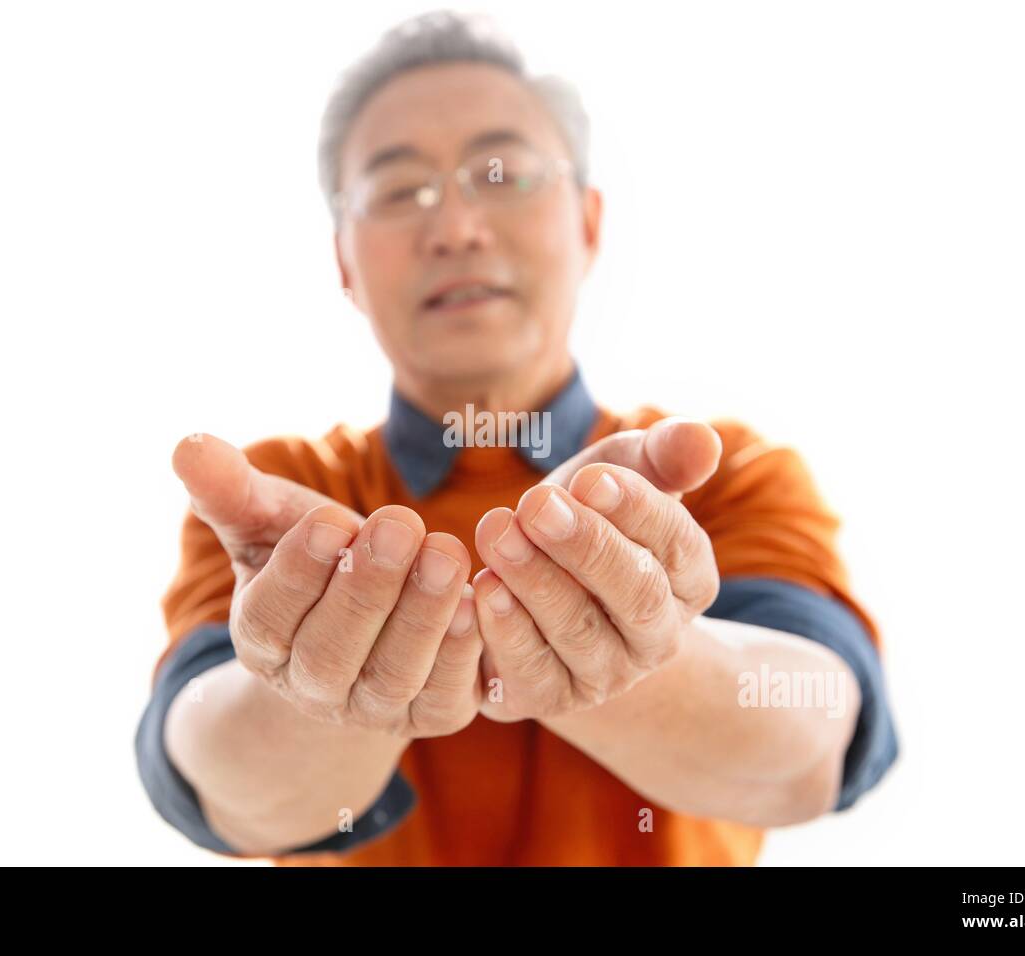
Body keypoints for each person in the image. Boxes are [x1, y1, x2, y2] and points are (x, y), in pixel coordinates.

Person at [135, 9, 898, 866]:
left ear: (589, 223)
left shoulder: (722, 477)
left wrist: (648, 646)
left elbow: (815, 743)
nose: (456, 227)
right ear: (344, 262)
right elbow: (208, 772)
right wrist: (310, 688)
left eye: (502, 176)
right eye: (398, 190)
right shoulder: (279, 500)